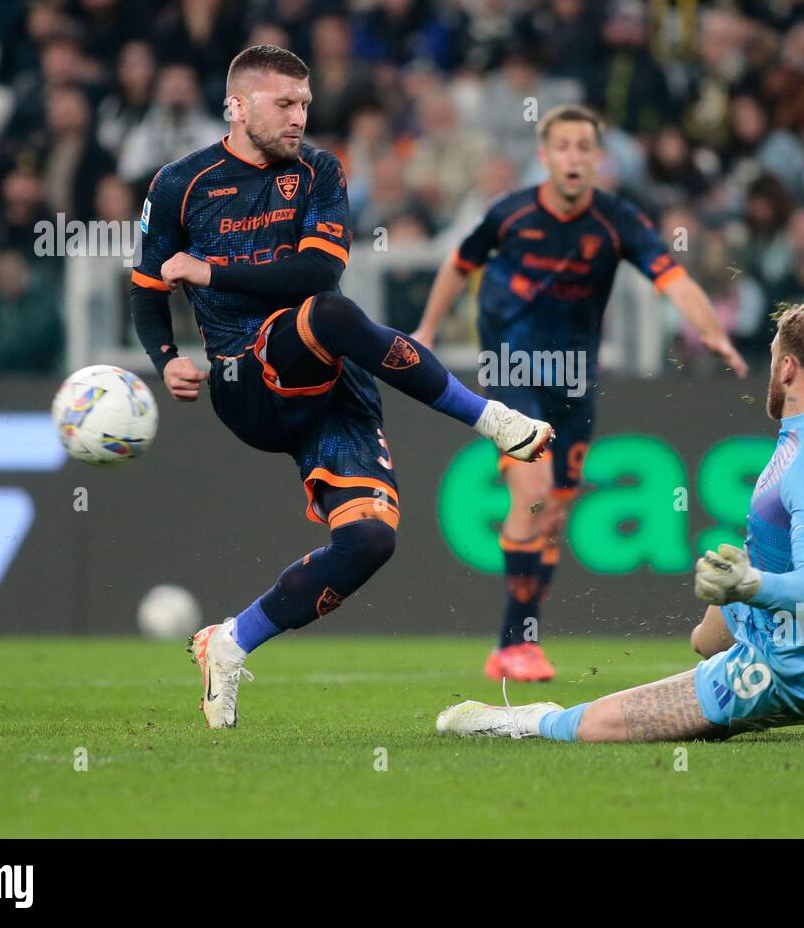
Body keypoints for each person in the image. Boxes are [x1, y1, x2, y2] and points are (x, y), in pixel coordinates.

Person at [130, 44, 552, 729]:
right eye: (283, 103)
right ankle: (490, 418)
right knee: (330, 316)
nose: (299, 117)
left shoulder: (320, 170)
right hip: (246, 379)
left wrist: (209, 271)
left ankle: (230, 642)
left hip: (330, 387)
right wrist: (167, 355)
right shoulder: (180, 183)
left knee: (370, 541)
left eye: (304, 103)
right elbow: (147, 289)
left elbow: (316, 272)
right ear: (237, 106)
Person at [436, 302, 804, 742]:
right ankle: (723, 641)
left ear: (791, 368)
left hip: (798, 661)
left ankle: (517, 721)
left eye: (772, 355)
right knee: (705, 635)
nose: (767, 365)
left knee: (601, 727)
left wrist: (748, 585)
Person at [412, 104, 748, 683]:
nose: (572, 157)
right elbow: (458, 264)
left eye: (583, 147)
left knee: (554, 511)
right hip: (511, 368)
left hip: (573, 379)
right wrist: (425, 329)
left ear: (597, 157)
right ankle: (517, 643)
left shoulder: (616, 221)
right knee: (535, 488)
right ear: (545, 157)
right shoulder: (510, 214)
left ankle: (515, 641)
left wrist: (712, 332)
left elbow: (673, 278)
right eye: (562, 146)